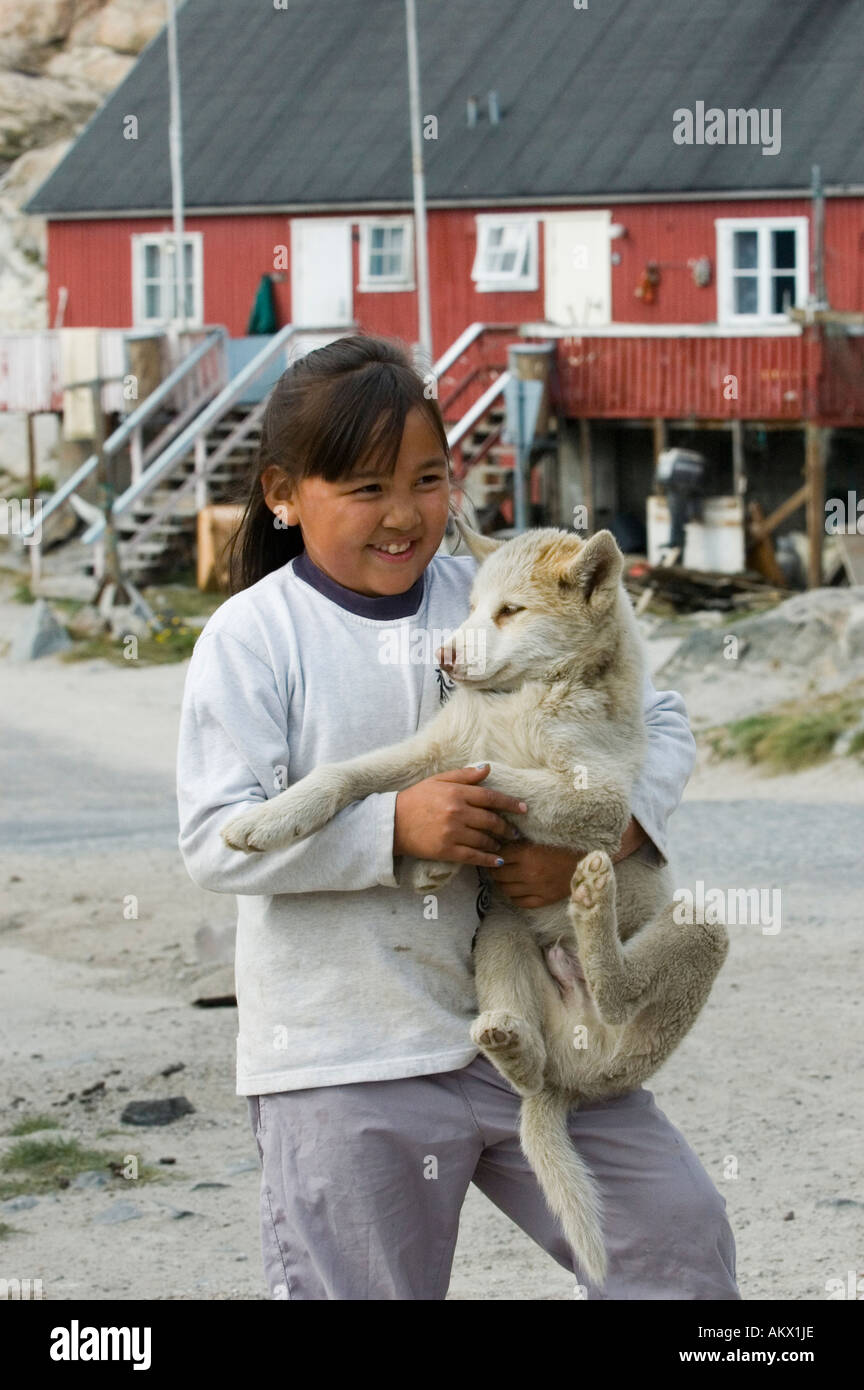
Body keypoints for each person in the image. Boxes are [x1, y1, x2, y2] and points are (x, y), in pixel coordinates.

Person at [175, 334, 740, 1301]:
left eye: (428, 478)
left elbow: (659, 718)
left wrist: (609, 837)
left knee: (675, 1244)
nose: (405, 515)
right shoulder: (255, 636)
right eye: (364, 488)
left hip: (524, 1031)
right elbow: (215, 841)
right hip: (346, 1055)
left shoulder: (489, 595)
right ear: (281, 492)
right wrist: (394, 830)